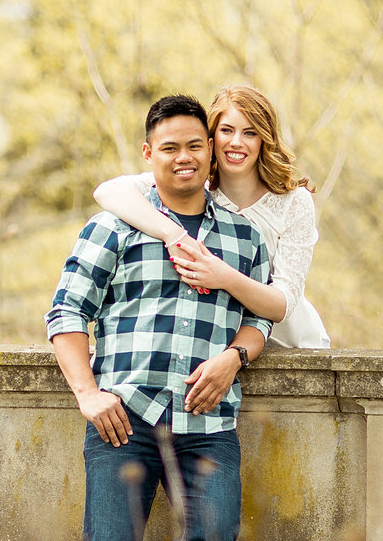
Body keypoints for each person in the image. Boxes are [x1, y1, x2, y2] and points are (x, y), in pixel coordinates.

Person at [46, 94, 272, 541]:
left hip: (207, 426)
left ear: (209, 153)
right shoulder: (114, 226)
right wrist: (89, 394)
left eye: (194, 145)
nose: (184, 158)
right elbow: (66, 313)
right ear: (149, 155)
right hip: (126, 422)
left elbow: (260, 320)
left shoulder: (241, 238)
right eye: (169, 147)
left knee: (214, 540)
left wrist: (235, 357)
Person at [93, 84, 328, 349]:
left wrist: (223, 276)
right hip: (214, 345)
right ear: (211, 138)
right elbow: (108, 191)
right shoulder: (195, 187)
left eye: (250, 133)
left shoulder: (293, 202)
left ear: (264, 138)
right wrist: (173, 233)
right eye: (227, 130)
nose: (236, 142)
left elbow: (282, 304)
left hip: (288, 346)